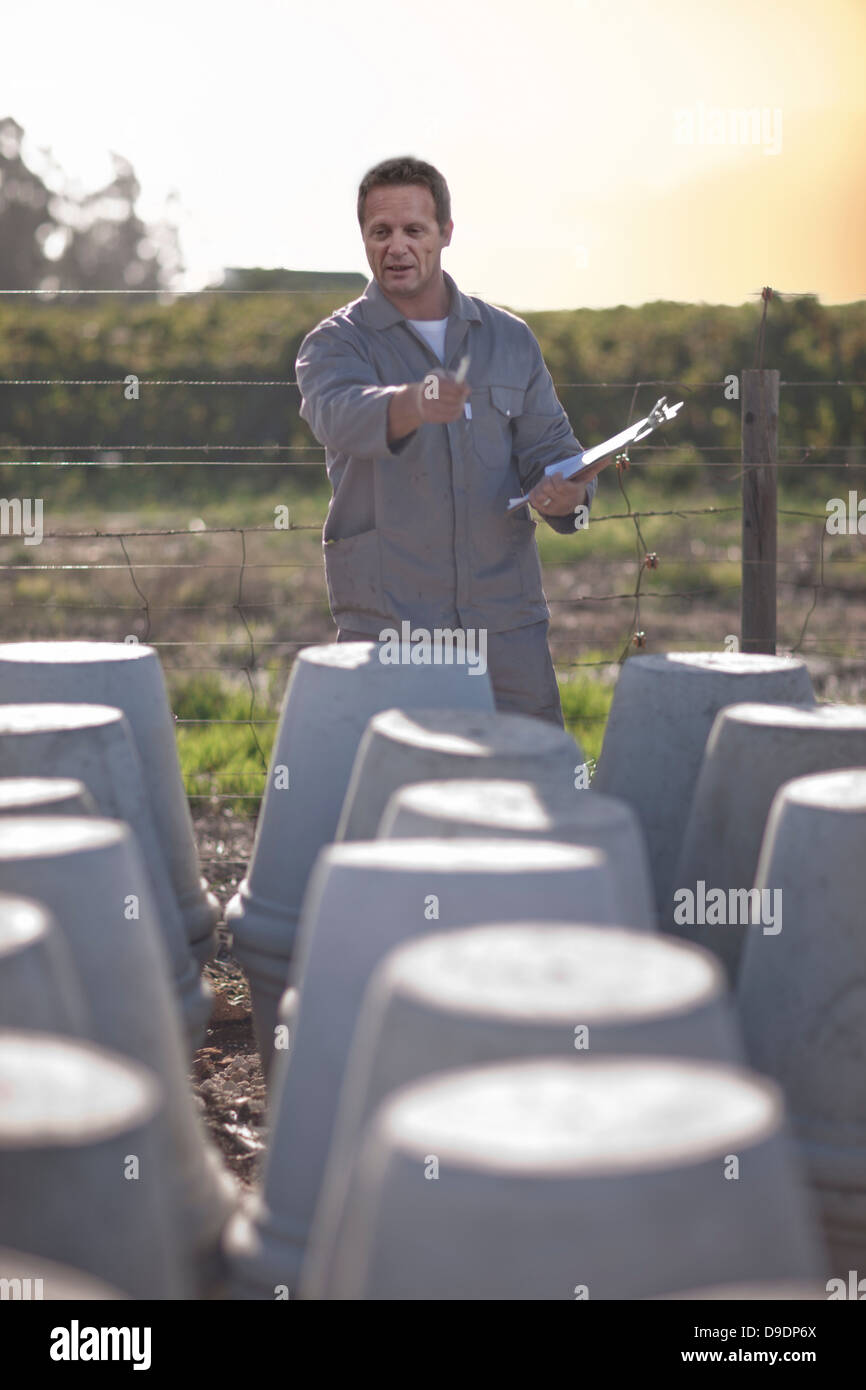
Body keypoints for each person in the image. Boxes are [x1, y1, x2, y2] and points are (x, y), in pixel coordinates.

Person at [295, 155, 597, 725]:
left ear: (446, 233)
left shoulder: (509, 338)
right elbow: (336, 416)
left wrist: (572, 498)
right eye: (380, 232)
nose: (397, 247)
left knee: (522, 788)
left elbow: (553, 449)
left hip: (506, 631)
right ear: (363, 238)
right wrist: (412, 403)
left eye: (415, 230)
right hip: (389, 630)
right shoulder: (336, 344)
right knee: (389, 791)